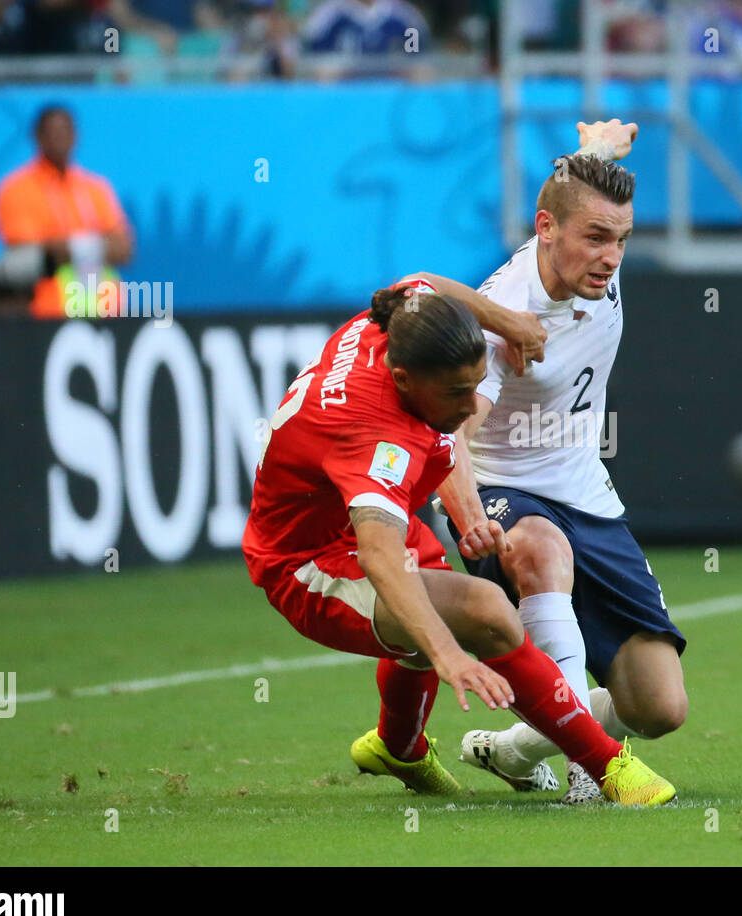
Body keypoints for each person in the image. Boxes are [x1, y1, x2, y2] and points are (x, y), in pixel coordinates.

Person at [241, 274, 676, 807]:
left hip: (349, 522)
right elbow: (378, 555)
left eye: (475, 385)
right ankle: (607, 766)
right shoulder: (376, 437)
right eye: (456, 392)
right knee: (483, 609)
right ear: (402, 381)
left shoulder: (393, 327)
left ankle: (398, 748)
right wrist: (449, 654)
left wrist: (506, 322)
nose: (472, 406)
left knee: (436, 609)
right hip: (309, 565)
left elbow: (422, 283)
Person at [434, 120, 689, 804]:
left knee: (658, 708)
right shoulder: (505, 314)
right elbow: (454, 435)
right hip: (504, 494)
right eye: (597, 239)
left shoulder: (587, 255)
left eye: (623, 241)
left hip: (588, 495)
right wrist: (465, 517)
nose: (611, 257)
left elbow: (574, 187)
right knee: (541, 547)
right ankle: (591, 764)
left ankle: (516, 750)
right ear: (546, 230)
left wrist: (597, 150)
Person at [0, 104, 134, 319]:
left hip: (106, 312)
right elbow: (29, 252)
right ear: (38, 137)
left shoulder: (95, 187)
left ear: (75, 135)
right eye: (53, 133)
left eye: (66, 132)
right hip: (47, 312)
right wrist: (97, 245)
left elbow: (123, 249)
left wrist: (66, 247)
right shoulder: (16, 189)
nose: (60, 139)